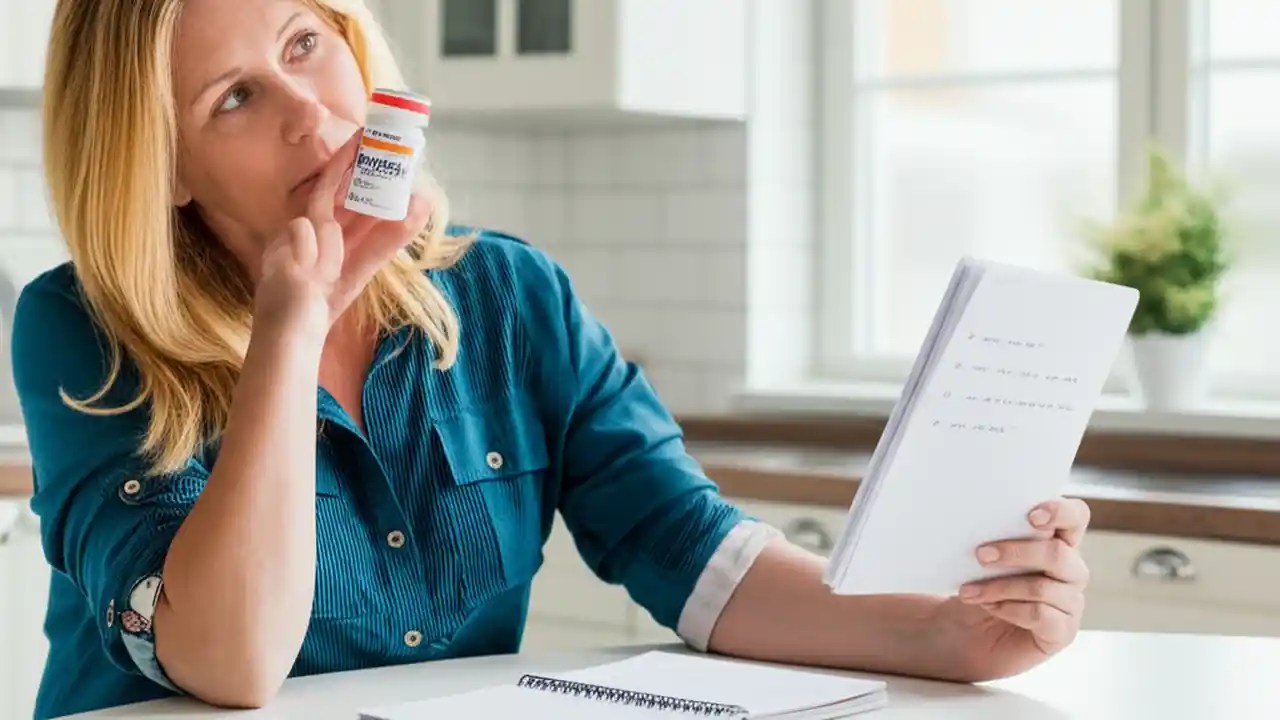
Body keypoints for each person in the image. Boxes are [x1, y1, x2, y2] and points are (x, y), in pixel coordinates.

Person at [12, 1, 1093, 717]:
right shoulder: (84, 329)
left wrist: (953, 634)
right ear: (163, 167)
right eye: (234, 98)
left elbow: (693, 555)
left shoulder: (508, 292)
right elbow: (229, 663)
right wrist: (293, 330)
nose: (310, 112)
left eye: (302, 43)